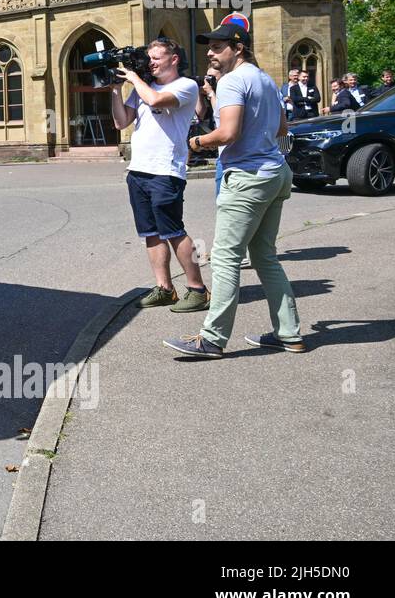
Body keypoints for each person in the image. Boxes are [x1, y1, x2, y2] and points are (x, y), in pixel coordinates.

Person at [167, 24, 303, 357]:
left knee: (226, 258)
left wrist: (195, 142)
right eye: (209, 47)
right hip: (275, 174)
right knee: (266, 257)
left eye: (217, 47)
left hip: (246, 178)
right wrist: (270, 155)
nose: (210, 53)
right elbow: (283, 128)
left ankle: (212, 339)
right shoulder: (265, 79)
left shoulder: (232, 81)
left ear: (237, 48)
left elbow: (227, 133)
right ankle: (290, 334)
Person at [109, 38, 208, 312]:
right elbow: (121, 122)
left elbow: (154, 100)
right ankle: (165, 288)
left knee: (174, 231)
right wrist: (117, 90)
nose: (150, 62)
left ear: (173, 59)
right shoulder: (144, 87)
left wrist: (132, 77)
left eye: (156, 58)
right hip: (138, 171)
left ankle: (197, 289)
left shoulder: (185, 86)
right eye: (149, 58)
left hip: (166, 171)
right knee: (151, 233)